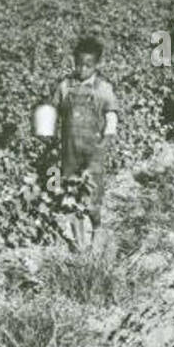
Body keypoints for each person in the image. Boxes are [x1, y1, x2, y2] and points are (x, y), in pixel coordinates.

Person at [49, 35, 119, 246]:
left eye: (88, 65)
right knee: (71, 199)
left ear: (97, 65)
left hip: (93, 152)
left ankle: (97, 230)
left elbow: (111, 119)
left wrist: (104, 144)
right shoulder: (64, 87)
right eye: (79, 64)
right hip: (70, 151)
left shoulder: (103, 89)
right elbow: (53, 113)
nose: (82, 69)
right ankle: (79, 245)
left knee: (91, 199)